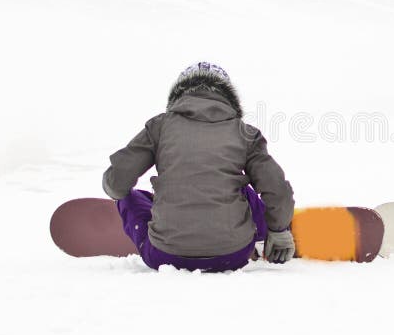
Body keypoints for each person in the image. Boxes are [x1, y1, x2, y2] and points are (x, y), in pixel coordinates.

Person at [102, 62, 295, 272]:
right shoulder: (244, 133)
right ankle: (265, 232)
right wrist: (280, 229)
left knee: (127, 196)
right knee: (241, 188)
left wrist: (112, 185)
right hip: (233, 254)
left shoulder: (159, 127)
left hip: (164, 255)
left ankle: (150, 216)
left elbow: (116, 184)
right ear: (228, 96)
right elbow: (275, 187)